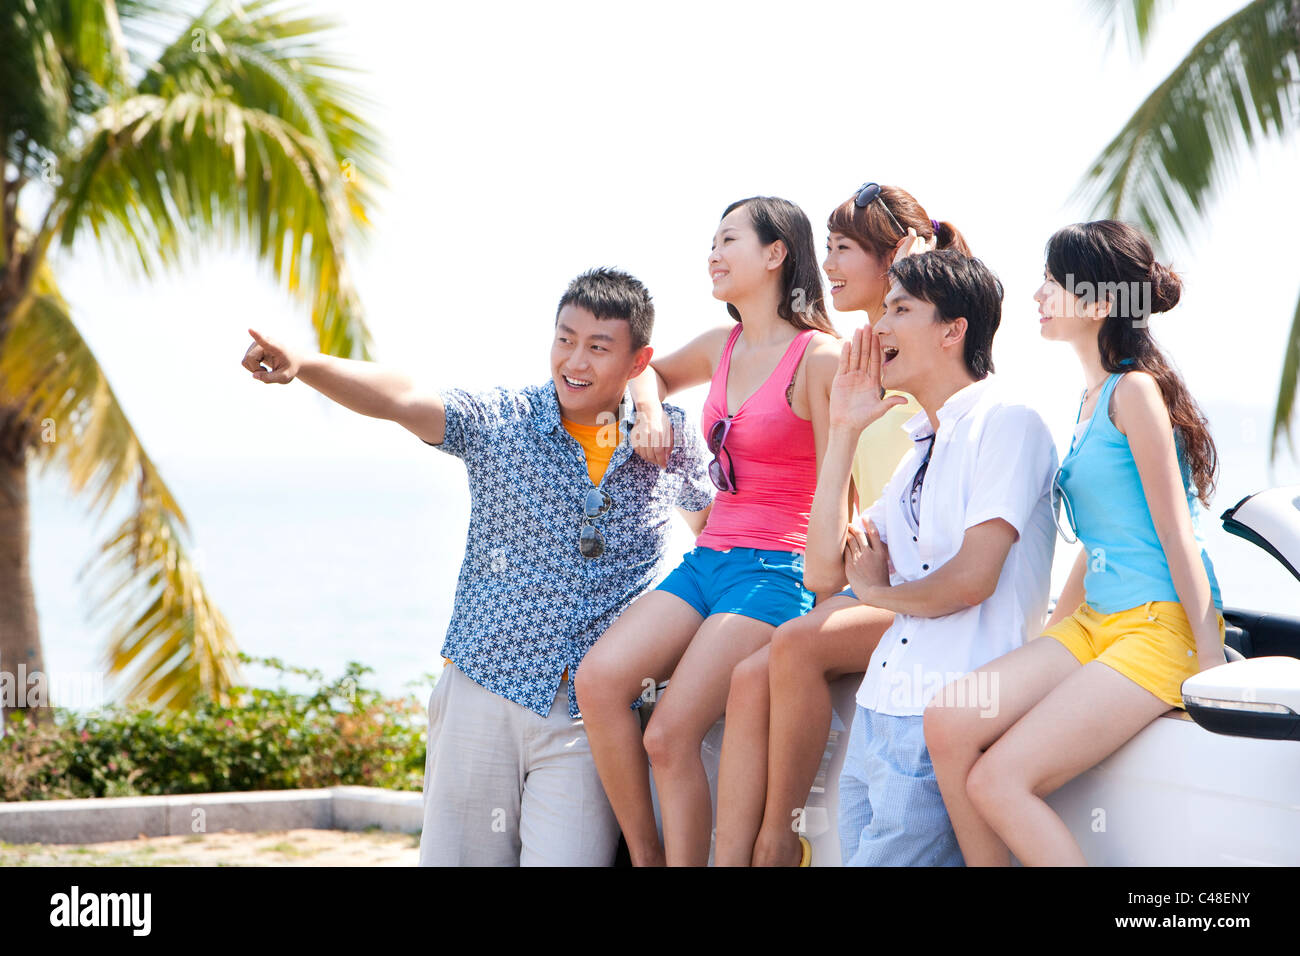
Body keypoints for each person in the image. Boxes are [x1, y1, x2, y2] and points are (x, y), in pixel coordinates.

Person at [240, 267, 715, 866]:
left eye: (599, 347)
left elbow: (720, 543)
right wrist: (306, 365)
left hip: (589, 723)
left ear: (637, 360)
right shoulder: (504, 421)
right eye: (564, 338)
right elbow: (403, 398)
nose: (575, 360)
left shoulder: (669, 438)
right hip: (482, 694)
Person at [923, 220, 1227, 866]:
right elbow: (1101, 540)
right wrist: (1052, 637)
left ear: (1097, 303)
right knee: (949, 721)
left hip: (1155, 630)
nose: (1038, 294)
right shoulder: (1090, 400)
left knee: (998, 780)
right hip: (1096, 624)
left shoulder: (1136, 392)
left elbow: (1177, 534)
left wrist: (1210, 667)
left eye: (1053, 283)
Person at [574, 196, 842, 866]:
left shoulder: (821, 358)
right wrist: (650, 410)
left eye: (729, 240)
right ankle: (646, 856)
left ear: (777, 252)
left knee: (667, 735)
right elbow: (651, 371)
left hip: (775, 571)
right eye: (712, 243)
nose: (713, 256)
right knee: (599, 681)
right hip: (709, 556)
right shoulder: (721, 346)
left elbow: (846, 480)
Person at [713, 183, 971, 866]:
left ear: (899, 259)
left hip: (925, 592)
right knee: (748, 679)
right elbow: (845, 487)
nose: (826, 263)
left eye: (843, 248)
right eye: (825, 246)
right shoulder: (854, 354)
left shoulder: (927, 356)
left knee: (796, 648)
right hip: (865, 573)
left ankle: (778, 840)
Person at [827, 249, 1058, 867]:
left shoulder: (1008, 423)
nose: (879, 328)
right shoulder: (913, 455)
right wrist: (843, 430)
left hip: (945, 712)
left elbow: (971, 580)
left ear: (954, 331)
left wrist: (876, 596)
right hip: (877, 712)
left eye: (901, 310)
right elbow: (822, 568)